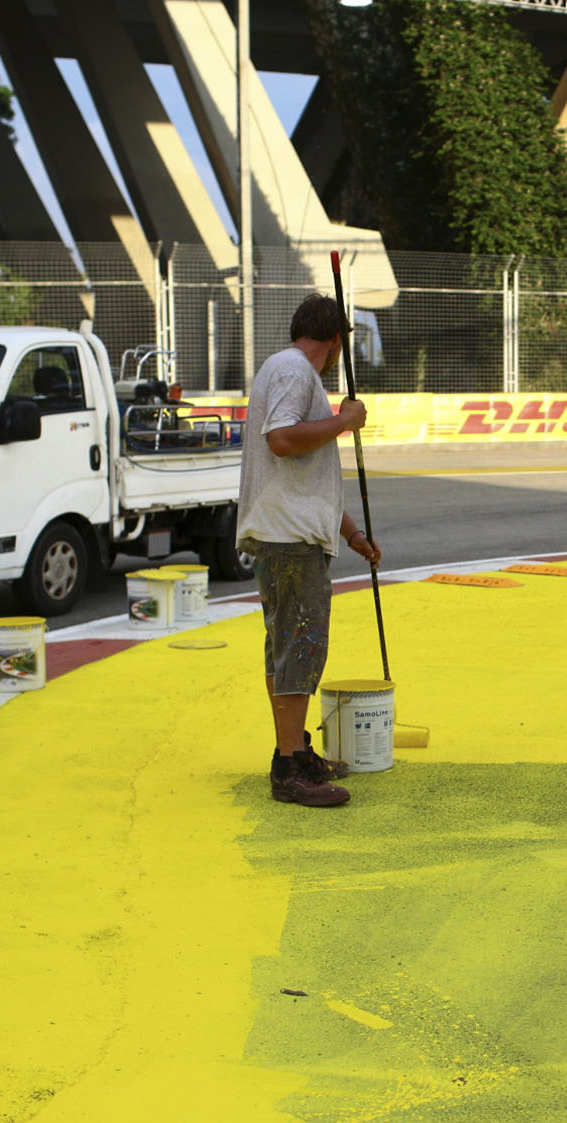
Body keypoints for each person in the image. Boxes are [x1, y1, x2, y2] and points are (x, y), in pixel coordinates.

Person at [237, 294, 382, 807]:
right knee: (299, 648)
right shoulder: (295, 371)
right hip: (289, 540)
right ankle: (287, 768)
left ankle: (295, 751)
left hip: (293, 533)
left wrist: (348, 533)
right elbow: (281, 440)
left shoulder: (292, 372)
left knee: (290, 649)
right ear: (336, 341)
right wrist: (345, 422)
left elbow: (302, 477)